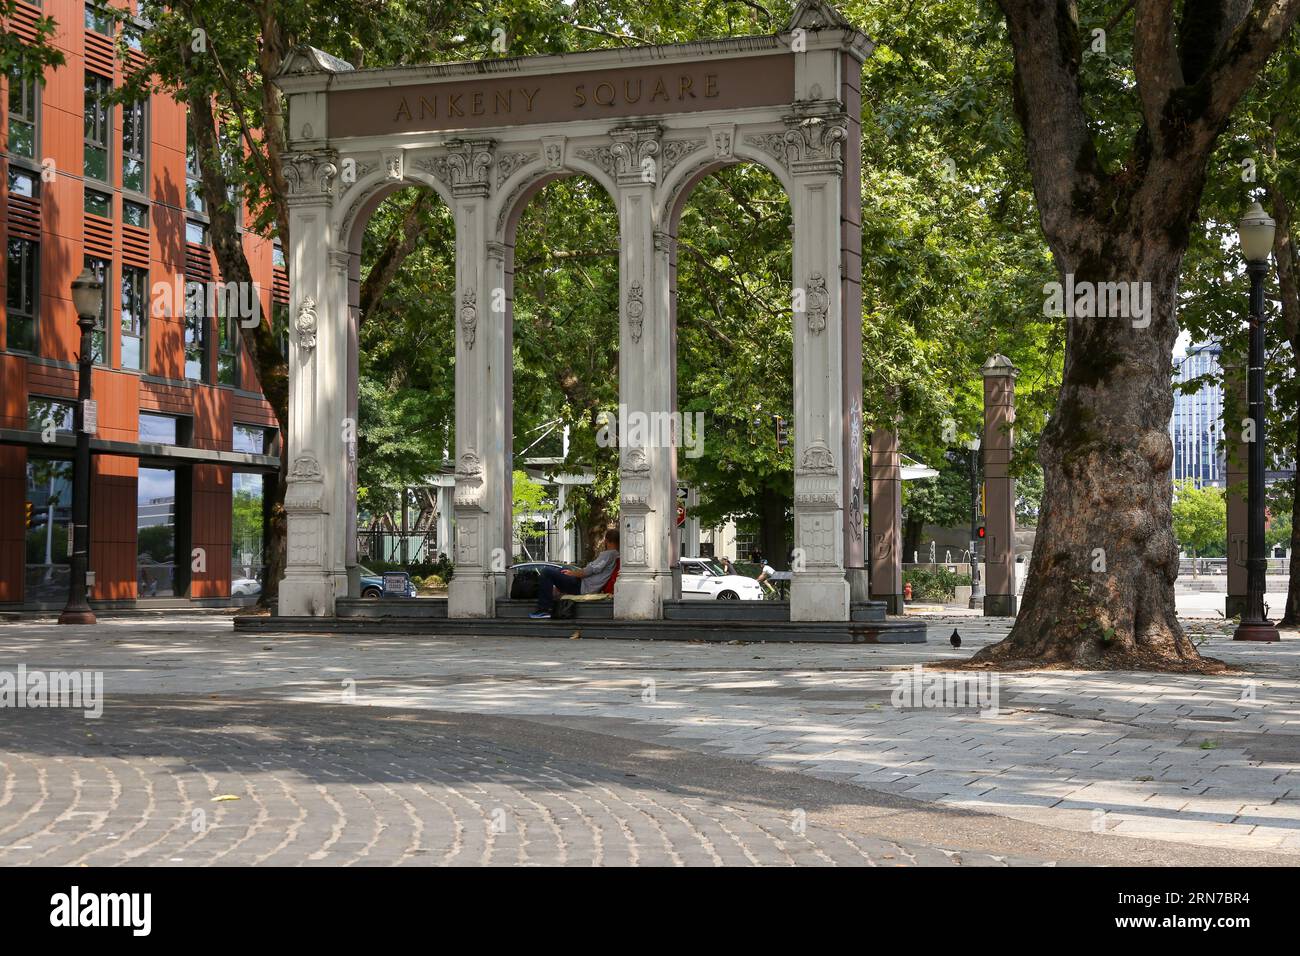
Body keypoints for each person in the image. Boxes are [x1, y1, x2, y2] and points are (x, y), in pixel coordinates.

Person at [530, 528, 620, 619]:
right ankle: (552, 593)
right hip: (584, 584)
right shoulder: (615, 555)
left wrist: (572, 573)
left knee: (546, 572)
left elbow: (588, 571)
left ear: (607, 540)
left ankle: (544, 609)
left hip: (582, 586)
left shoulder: (609, 554)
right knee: (563, 569)